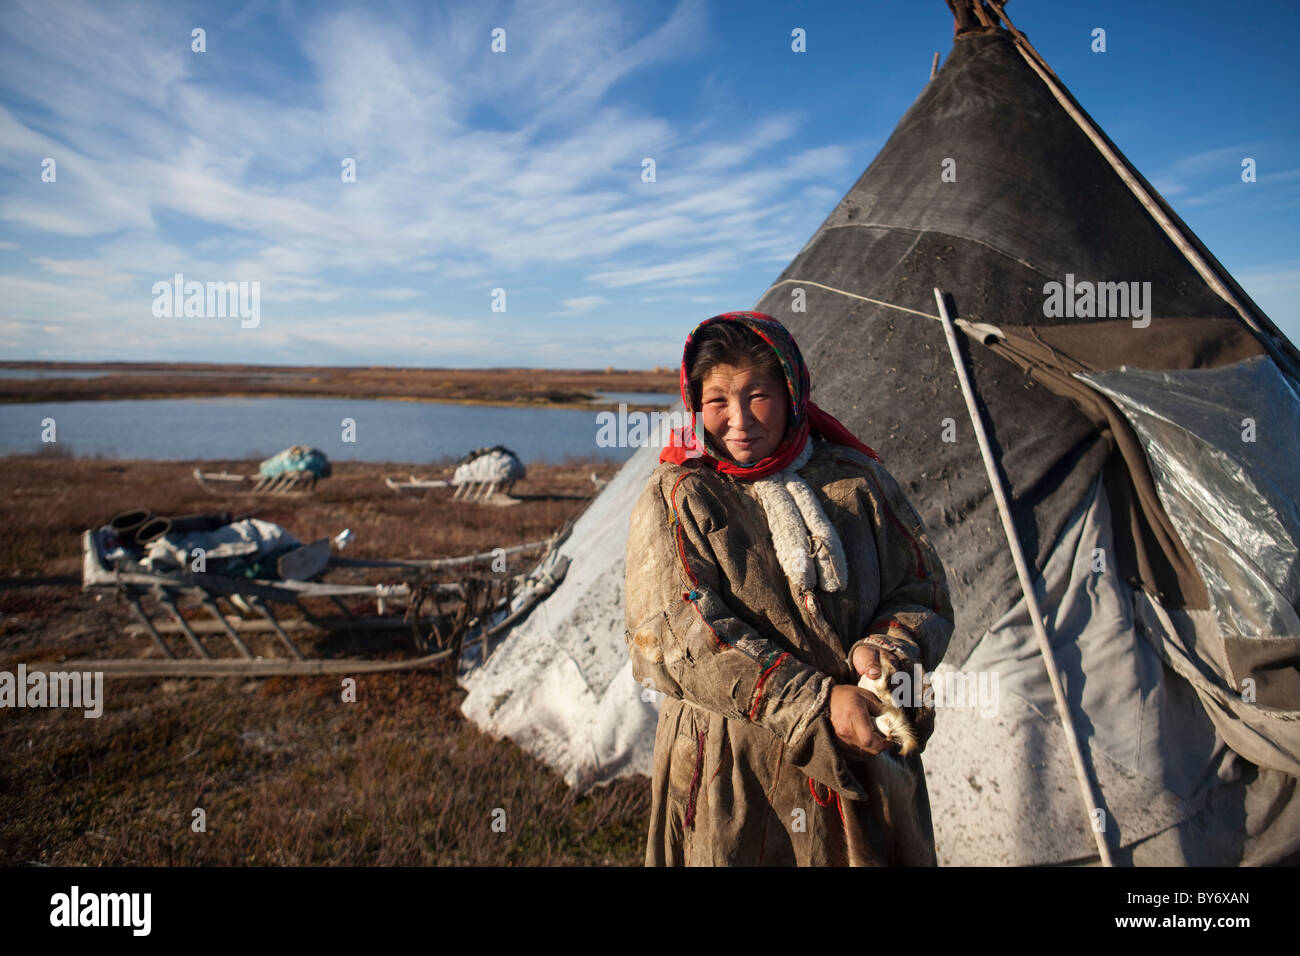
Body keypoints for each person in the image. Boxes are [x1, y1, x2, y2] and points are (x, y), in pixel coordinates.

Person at [624, 311, 954, 866]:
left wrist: (888, 653)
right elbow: (675, 640)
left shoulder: (857, 479)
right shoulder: (681, 495)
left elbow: (921, 588)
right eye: (717, 401)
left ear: (792, 391)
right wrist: (817, 704)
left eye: (758, 395)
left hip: (866, 753)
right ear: (695, 405)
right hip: (734, 772)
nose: (738, 420)